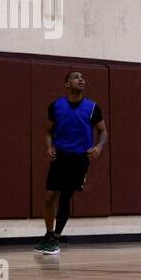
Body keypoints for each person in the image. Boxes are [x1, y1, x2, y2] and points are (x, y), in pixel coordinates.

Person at [34, 70, 107, 255]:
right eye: (76, 77)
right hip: (60, 156)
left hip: (80, 159)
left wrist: (99, 146)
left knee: (66, 196)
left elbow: (103, 132)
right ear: (67, 84)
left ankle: (56, 238)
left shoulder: (92, 107)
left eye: (83, 77)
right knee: (50, 196)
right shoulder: (56, 106)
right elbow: (48, 131)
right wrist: (49, 145)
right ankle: (49, 235)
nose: (81, 79)